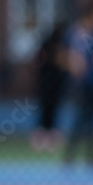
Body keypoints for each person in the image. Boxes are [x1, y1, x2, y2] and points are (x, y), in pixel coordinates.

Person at [63, 0, 93, 167]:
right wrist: (73, 64)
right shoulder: (78, 32)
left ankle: (92, 156)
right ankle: (69, 156)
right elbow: (66, 54)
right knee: (79, 120)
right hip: (81, 83)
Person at [30, 22, 68, 152]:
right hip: (47, 86)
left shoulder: (58, 47)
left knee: (51, 112)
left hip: (53, 86)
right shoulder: (49, 48)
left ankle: (49, 138)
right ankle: (42, 139)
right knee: (45, 112)